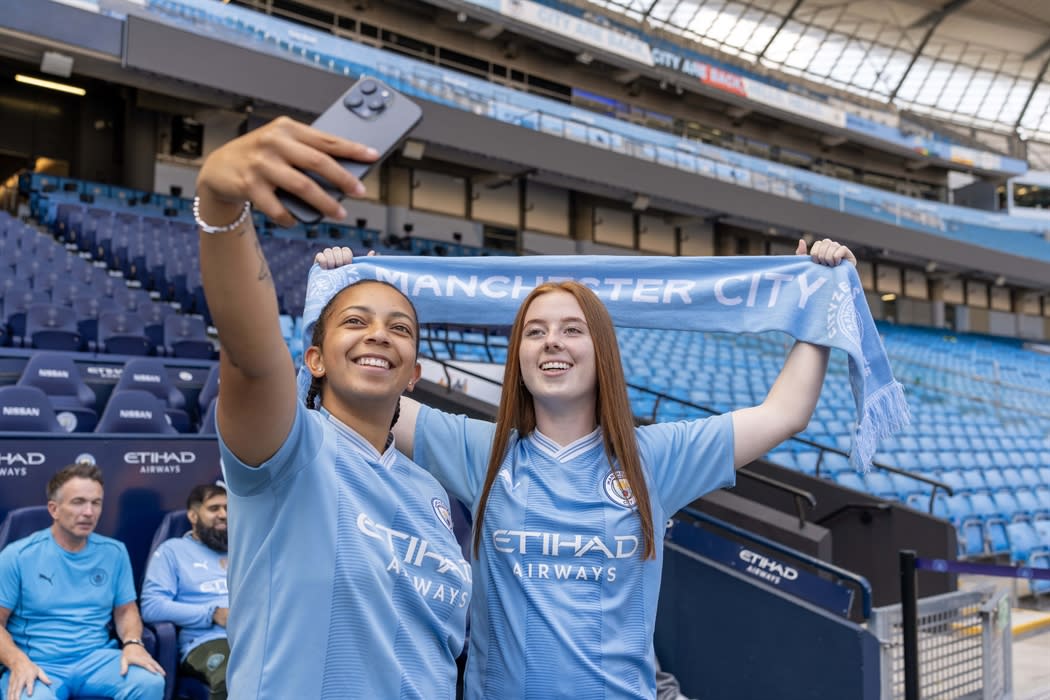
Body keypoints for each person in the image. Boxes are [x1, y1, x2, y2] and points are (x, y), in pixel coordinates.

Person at [316, 236, 856, 699]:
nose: (552, 340)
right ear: (519, 360)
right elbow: (358, 384)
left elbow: (785, 413)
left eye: (572, 329)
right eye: (534, 331)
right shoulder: (480, 450)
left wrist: (816, 300)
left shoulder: (657, 458)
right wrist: (345, 289)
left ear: (601, 352)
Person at [194, 116, 468, 700]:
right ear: (315, 359)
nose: (378, 335)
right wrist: (222, 205)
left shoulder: (432, 494)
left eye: (400, 328)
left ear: (414, 374)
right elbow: (251, 358)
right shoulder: (289, 450)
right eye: (354, 321)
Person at [0, 463, 166, 700]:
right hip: (38, 660)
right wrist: (17, 662)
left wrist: (133, 643)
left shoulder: (115, 552)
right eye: (78, 502)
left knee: (149, 683)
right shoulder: (16, 556)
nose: (89, 512)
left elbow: (126, 610)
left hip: (95, 659)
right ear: (54, 509)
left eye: (96, 503)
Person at [141, 484, 230, 700]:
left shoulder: (245, 548)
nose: (223, 515)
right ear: (193, 515)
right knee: (234, 675)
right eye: (214, 508)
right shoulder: (173, 551)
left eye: (228, 508)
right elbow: (152, 606)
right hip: (206, 642)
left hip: (255, 637)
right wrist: (212, 614)